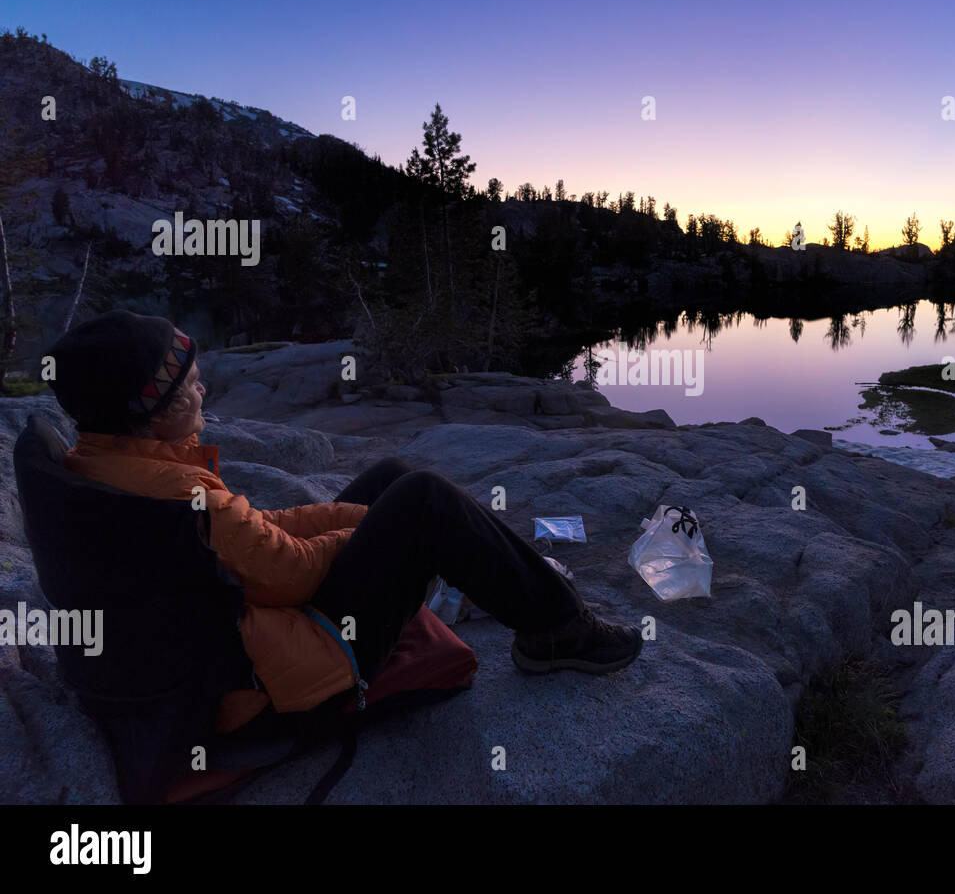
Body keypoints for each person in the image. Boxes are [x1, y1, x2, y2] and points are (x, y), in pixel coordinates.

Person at [46, 310, 642, 734]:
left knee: (391, 478)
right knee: (425, 500)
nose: (203, 392)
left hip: (248, 632)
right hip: (273, 680)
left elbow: (260, 535)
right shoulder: (175, 492)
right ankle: (560, 629)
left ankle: (523, 592)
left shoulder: (111, 461)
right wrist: (378, 534)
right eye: (191, 385)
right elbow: (292, 573)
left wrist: (371, 519)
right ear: (153, 412)